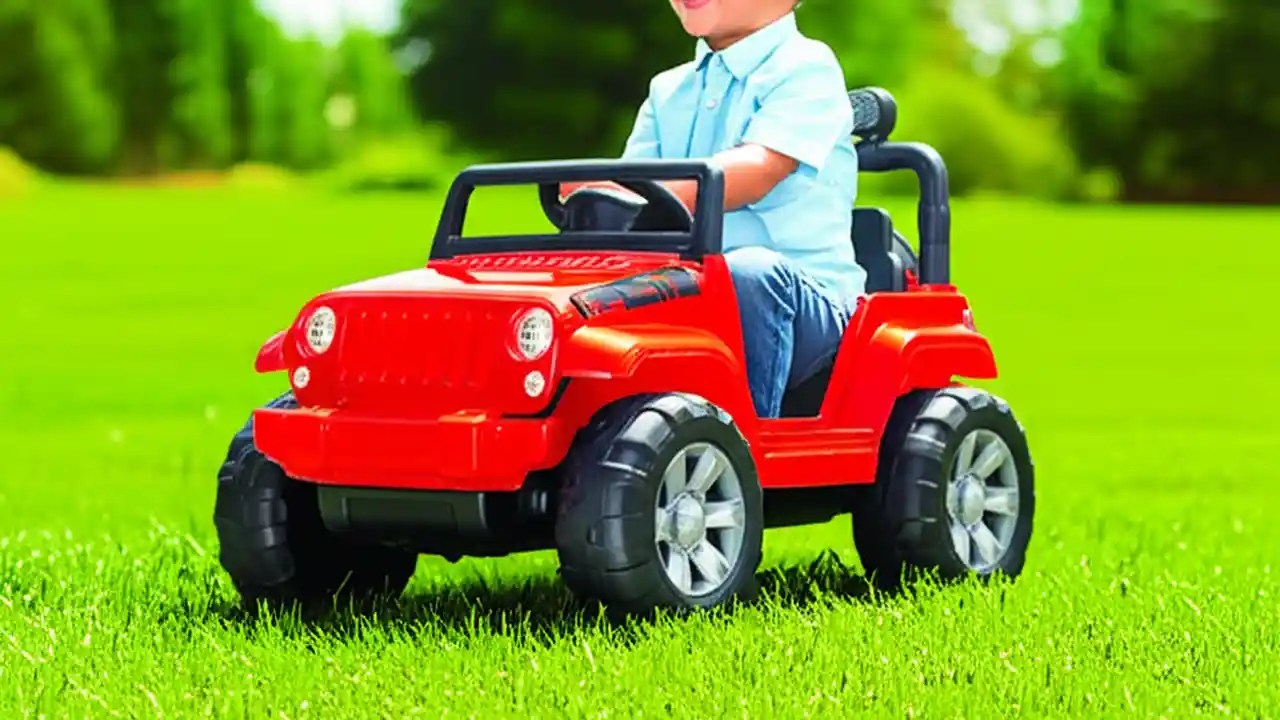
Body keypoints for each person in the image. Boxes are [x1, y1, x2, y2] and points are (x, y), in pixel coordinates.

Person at [566, 0, 865, 419]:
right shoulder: (668, 90)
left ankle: (739, 438)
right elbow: (631, 193)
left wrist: (641, 192)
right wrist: (597, 192)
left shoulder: (806, 67)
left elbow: (758, 169)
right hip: (689, 288)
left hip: (808, 308)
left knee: (750, 272)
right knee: (589, 289)